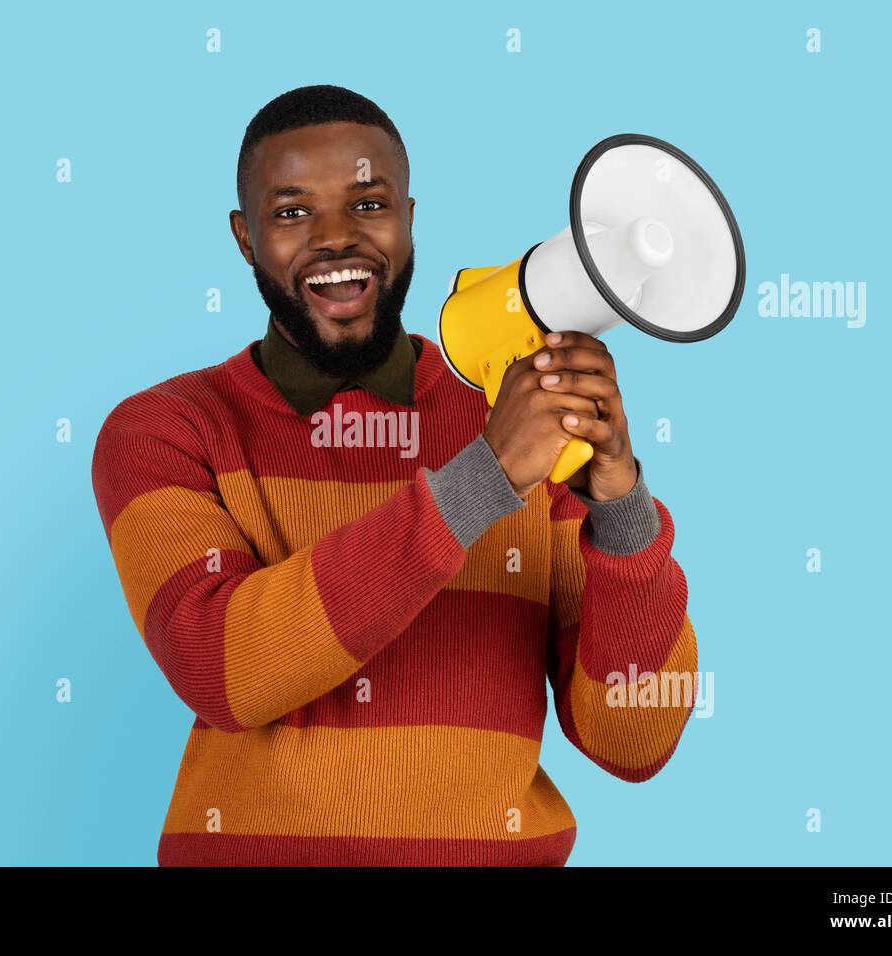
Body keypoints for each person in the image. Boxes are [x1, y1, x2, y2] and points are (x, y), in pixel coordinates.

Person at [91, 84, 697, 867]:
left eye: (369, 204)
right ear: (244, 238)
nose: (336, 239)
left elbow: (634, 739)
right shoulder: (164, 430)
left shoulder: (517, 421)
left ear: (410, 217)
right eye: (291, 212)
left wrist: (620, 506)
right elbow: (225, 667)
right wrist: (484, 479)